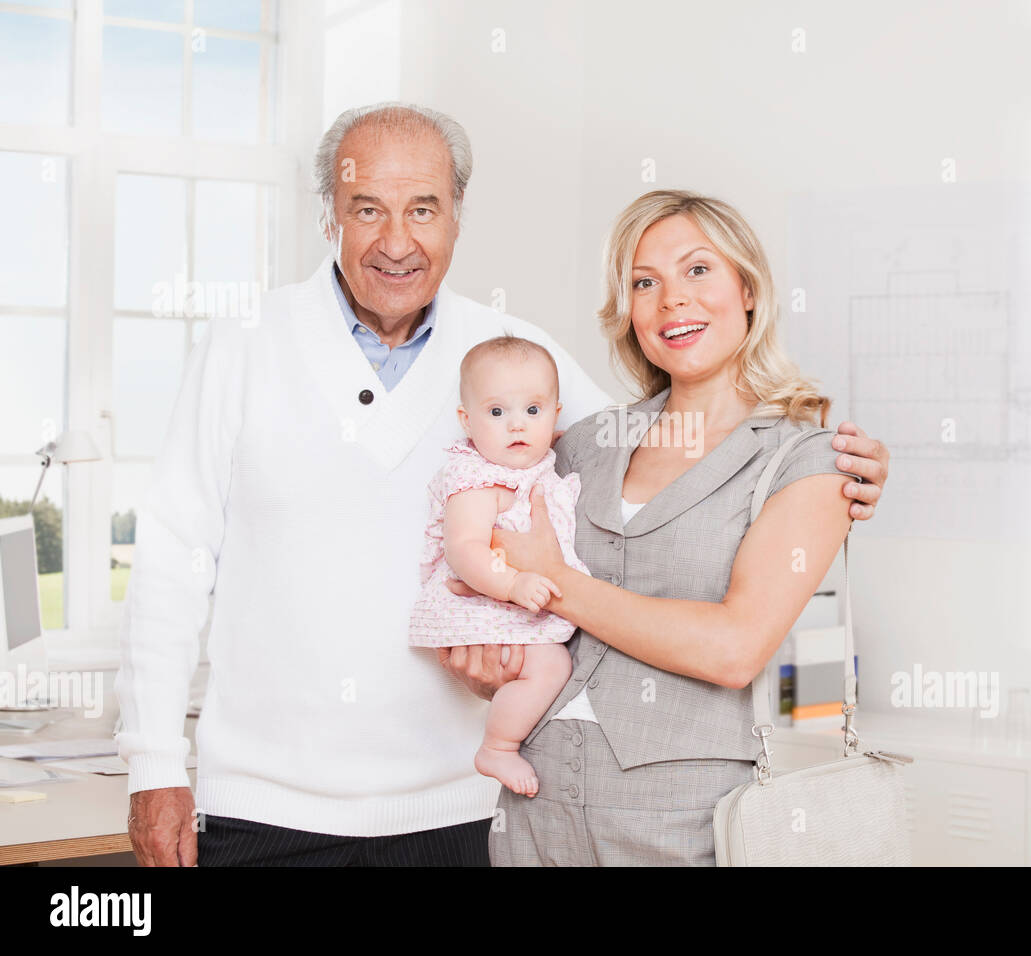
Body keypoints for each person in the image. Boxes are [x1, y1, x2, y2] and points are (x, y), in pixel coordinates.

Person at [116, 102, 890, 867]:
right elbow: (168, 562)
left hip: (466, 810)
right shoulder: (243, 349)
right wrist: (154, 763)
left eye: (424, 208)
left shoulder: (517, 357)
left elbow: (679, 441)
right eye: (367, 209)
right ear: (330, 218)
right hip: (265, 809)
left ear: (456, 218)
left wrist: (840, 463)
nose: (397, 240)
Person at [481, 190, 856, 865]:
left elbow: (734, 649)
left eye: (698, 270)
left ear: (747, 287)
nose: (671, 301)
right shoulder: (582, 444)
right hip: (533, 803)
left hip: (685, 821)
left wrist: (556, 582)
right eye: (643, 283)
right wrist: (484, 647)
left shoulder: (806, 458)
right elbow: (501, 587)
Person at [409, 335, 590, 798]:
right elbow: (464, 549)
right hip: (485, 599)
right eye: (497, 412)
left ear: (556, 414)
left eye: (533, 411)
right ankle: (499, 746)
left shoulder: (537, 468)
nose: (516, 425)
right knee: (549, 667)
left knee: (553, 665)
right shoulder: (475, 477)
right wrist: (512, 583)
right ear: (467, 422)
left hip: (516, 596)